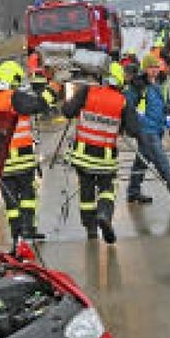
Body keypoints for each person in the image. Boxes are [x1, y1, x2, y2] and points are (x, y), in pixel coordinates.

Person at [61, 61, 139, 244]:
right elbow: (134, 130)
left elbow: (67, 112)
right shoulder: (122, 101)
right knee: (108, 189)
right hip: (105, 159)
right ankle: (104, 214)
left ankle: (91, 230)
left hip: (83, 156)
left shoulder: (87, 91)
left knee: (86, 191)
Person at [0, 60, 58, 244]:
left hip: (2, 163)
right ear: (13, 77)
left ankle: (15, 233)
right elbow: (38, 104)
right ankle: (28, 229)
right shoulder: (13, 97)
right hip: (21, 160)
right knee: (27, 196)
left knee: (11, 203)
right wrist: (53, 88)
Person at [124, 54, 170, 204]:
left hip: (156, 130)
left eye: (156, 67)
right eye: (151, 67)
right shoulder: (138, 86)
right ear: (144, 69)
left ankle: (133, 191)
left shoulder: (158, 86)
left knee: (141, 161)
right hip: (146, 131)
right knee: (162, 163)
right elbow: (127, 106)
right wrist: (135, 125)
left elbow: (166, 109)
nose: (155, 70)